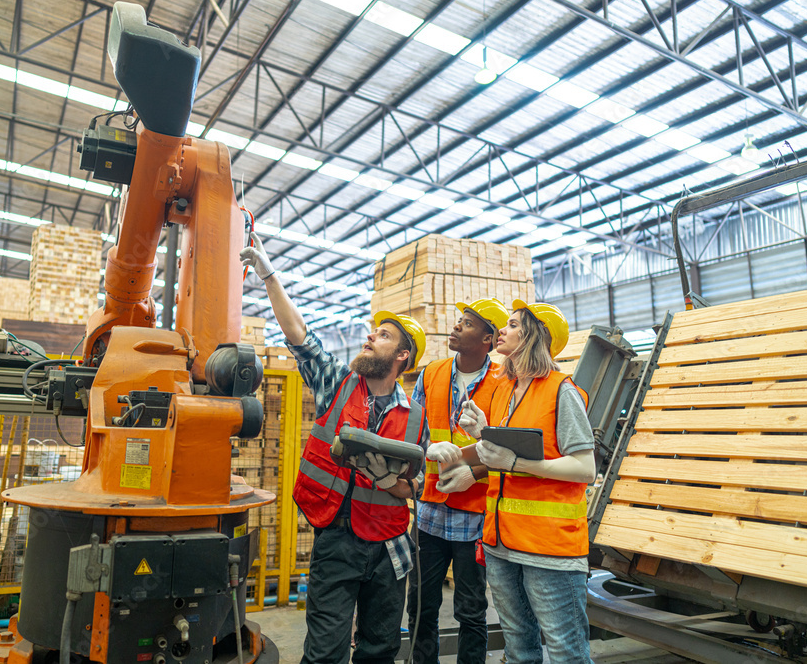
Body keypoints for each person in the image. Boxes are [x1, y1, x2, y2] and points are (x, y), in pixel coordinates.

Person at [240, 232, 430, 664]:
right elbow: (300, 336)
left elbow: (421, 487)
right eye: (371, 332)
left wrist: (393, 483)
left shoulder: (417, 419)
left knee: (380, 650)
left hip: (389, 545)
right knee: (325, 652)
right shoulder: (339, 385)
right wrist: (269, 274)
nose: (369, 338)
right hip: (337, 538)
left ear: (401, 356)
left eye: (381, 336)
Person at [428, 300, 596, 664]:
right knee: (519, 649)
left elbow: (585, 468)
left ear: (534, 336)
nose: (502, 330)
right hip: (502, 544)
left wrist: (517, 463)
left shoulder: (560, 390)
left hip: (549, 549)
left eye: (514, 325)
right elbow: (498, 452)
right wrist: (466, 445)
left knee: (567, 653)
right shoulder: (504, 389)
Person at [406, 299, 509, 664]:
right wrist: (427, 449)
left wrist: (475, 473)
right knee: (421, 606)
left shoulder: (504, 382)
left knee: (471, 610)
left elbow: (509, 452)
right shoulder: (431, 374)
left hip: (475, 514)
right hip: (430, 512)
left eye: (466, 324)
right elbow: (412, 434)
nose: (456, 327)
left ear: (488, 338)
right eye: (459, 321)